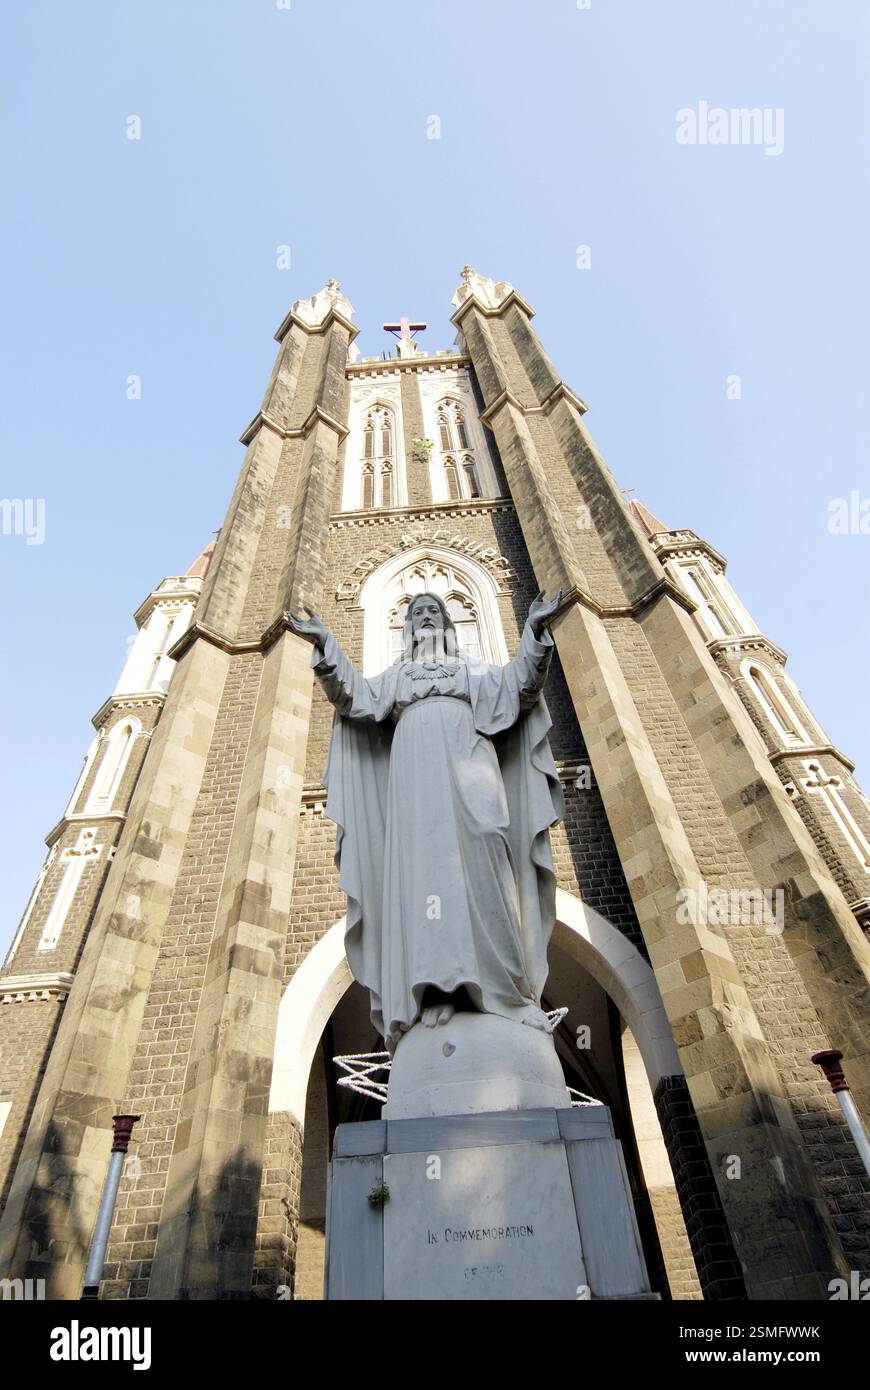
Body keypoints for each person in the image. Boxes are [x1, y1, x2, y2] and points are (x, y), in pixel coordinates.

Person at [286, 588, 563, 1051]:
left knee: (488, 864)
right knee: (426, 880)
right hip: (414, 786)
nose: (427, 617)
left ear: (449, 625)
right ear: (408, 628)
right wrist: (324, 645)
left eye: (435, 611)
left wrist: (534, 632)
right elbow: (354, 697)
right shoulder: (399, 676)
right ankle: (436, 989)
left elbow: (521, 687)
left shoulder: (470, 671)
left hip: (472, 770)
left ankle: (508, 994)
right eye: (419, 613)